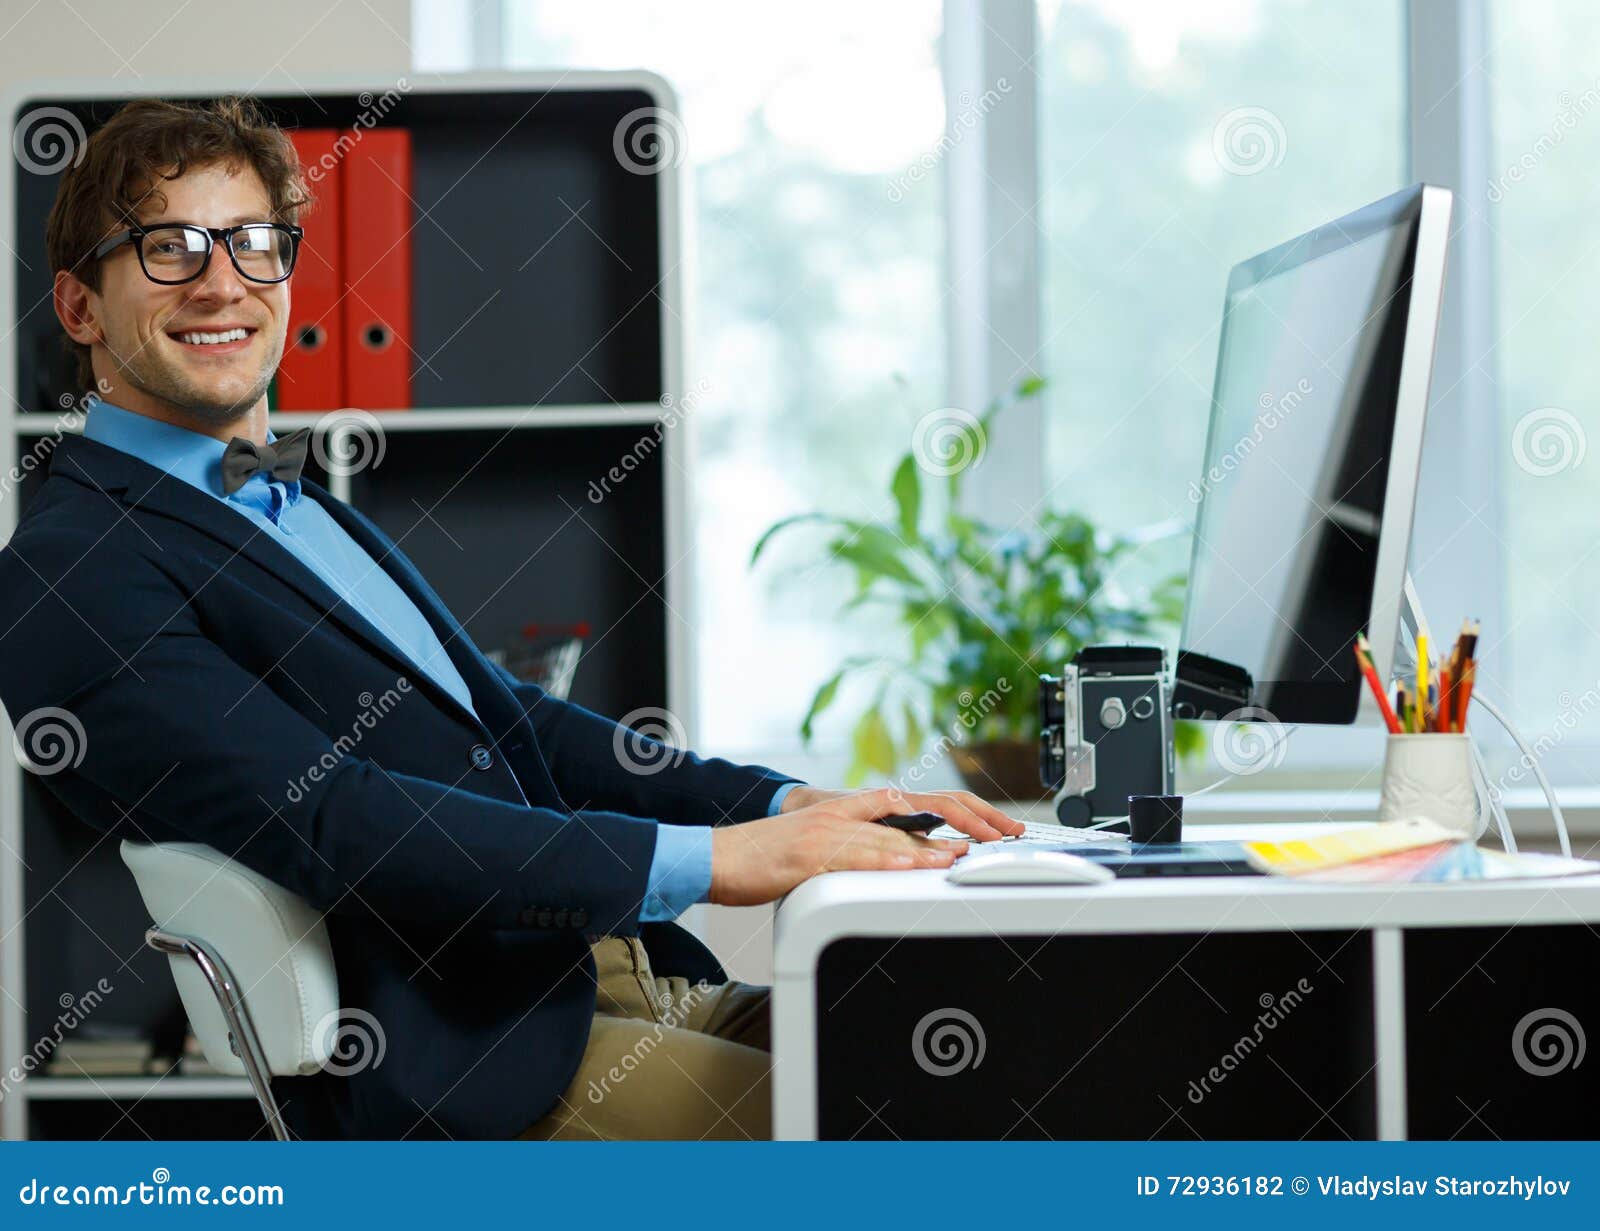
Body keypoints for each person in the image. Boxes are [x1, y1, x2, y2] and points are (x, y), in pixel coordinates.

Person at [0, 96, 1023, 1140]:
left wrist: (786, 801)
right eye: (169, 248)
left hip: (606, 983)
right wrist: (716, 863)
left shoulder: (288, 504)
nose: (223, 278)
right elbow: (335, 819)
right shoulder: (73, 567)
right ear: (80, 308)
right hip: (479, 1071)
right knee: (904, 1128)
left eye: (254, 243)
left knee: (1004, 1058)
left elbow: (518, 726)